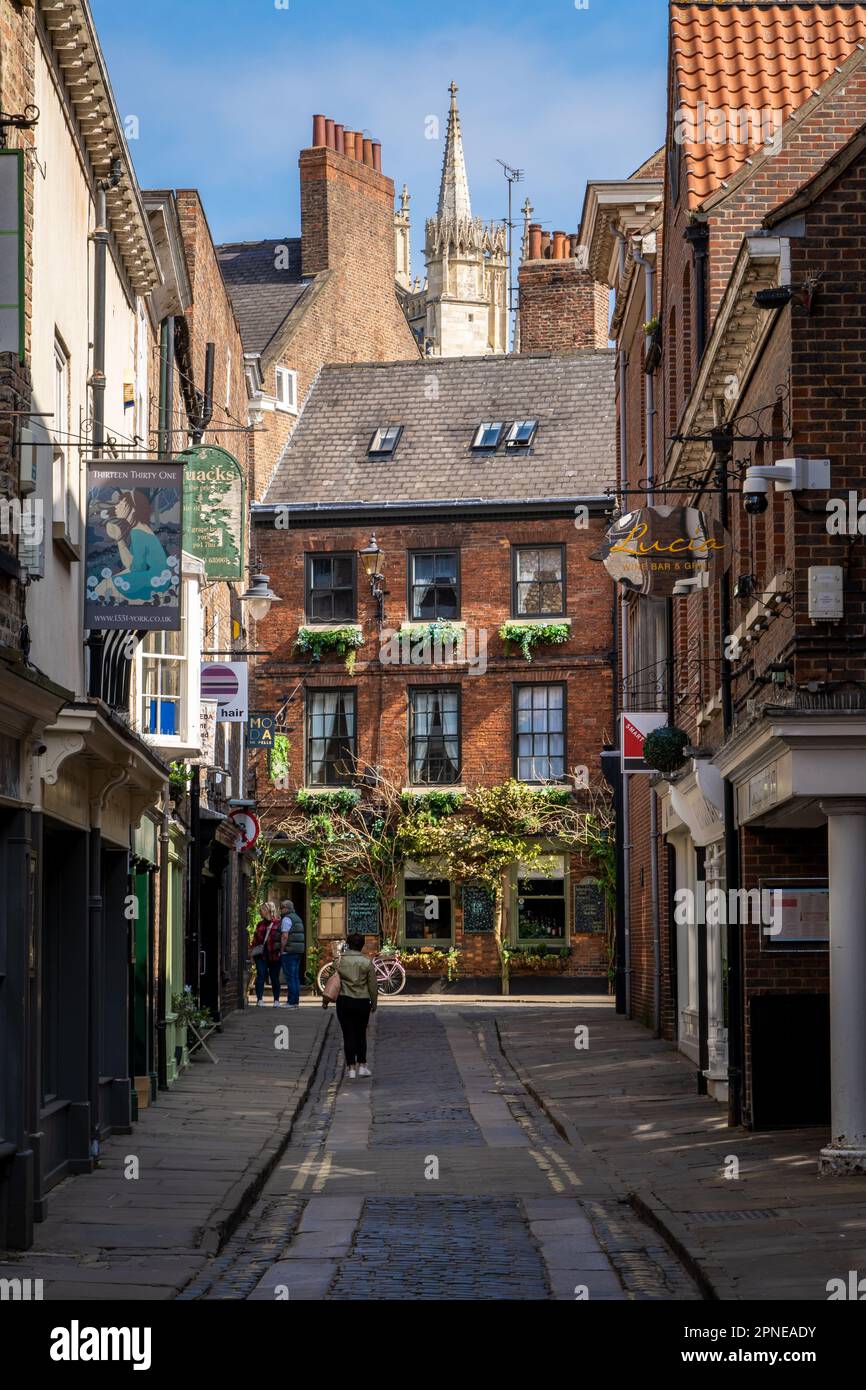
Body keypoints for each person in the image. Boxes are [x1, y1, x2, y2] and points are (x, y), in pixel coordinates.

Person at [335, 933, 378, 1080]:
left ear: (348, 944)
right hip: (362, 1001)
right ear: (362, 945)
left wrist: (326, 1001)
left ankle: (351, 1068)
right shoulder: (366, 962)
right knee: (361, 1034)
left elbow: (333, 982)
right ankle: (362, 1066)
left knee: (348, 1034)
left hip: (344, 1000)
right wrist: (374, 1002)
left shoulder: (340, 961)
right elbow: (373, 985)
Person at [250, 902, 282, 1007]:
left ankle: (276, 1000)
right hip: (261, 956)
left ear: (269, 911)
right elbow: (255, 941)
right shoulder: (260, 924)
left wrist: (281, 951)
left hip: (274, 955)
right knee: (260, 976)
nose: (260, 912)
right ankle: (259, 1000)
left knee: (274, 978)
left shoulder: (278, 923)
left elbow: (281, 939)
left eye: (262, 910)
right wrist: (252, 955)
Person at [279, 898, 305, 1009]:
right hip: (298, 951)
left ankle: (291, 1002)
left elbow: (285, 936)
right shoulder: (297, 918)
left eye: (281, 908)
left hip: (289, 951)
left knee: (290, 977)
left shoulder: (286, 919)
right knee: (295, 977)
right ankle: (295, 1001)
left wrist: (281, 949)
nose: (280, 910)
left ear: (286, 908)